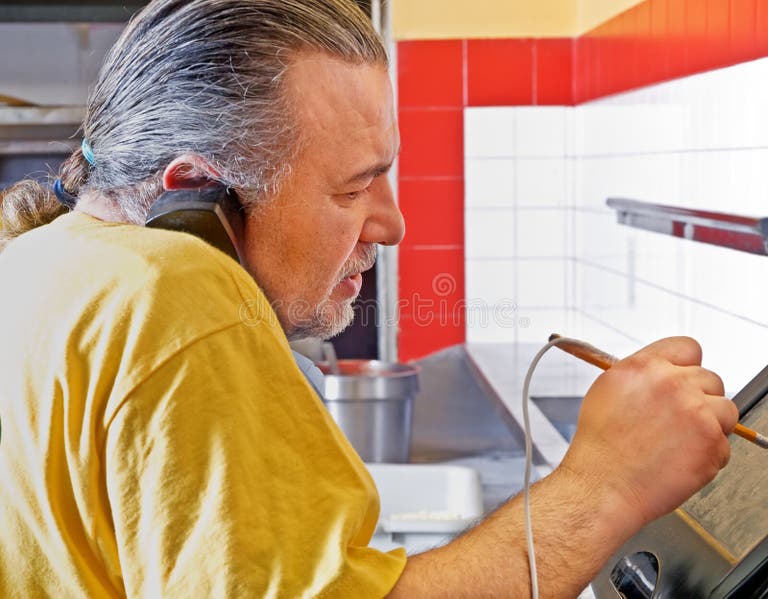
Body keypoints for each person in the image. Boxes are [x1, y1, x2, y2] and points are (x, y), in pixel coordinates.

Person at [0, 1, 738, 597]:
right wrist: (606, 484)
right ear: (196, 192)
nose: (392, 223)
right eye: (352, 187)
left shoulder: (41, 263)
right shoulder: (176, 291)